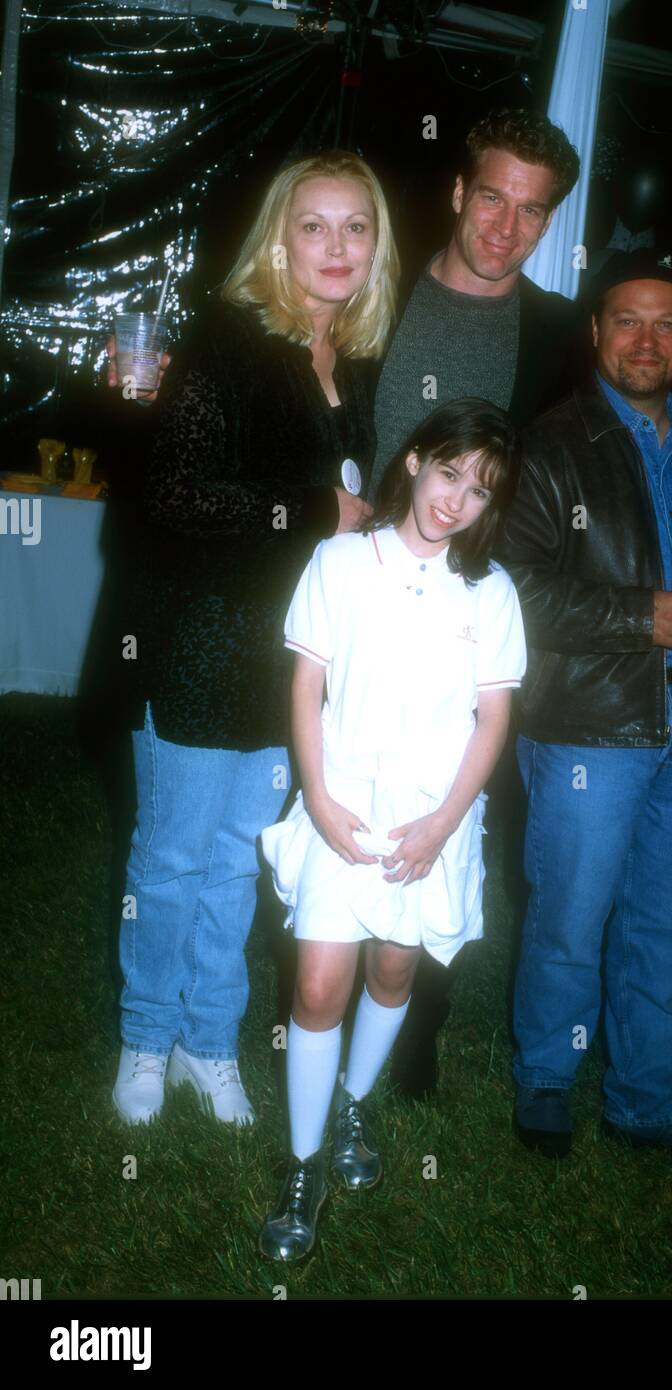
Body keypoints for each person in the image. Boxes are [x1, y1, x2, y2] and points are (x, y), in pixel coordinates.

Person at [111, 150, 398, 1126]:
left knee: (242, 862)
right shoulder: (229, 344)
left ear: (376, 244)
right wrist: (317, 507)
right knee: (170, 861)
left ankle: (208, 1042)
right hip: (201, 648)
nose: (334, 245)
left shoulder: (352, 362)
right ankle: (146, 1037)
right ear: (279, 238)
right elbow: (176, 494)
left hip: (290, 666)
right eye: (312, 225)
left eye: (354, 226)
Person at [496, 249, 672, 1163]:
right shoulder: (550, 443)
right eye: (626, 320)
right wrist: (629, 618)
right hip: (589, 721)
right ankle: (544, 1078)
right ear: (596, 332)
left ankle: (647, 1096)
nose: (645, 340)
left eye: (666, 323)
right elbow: (509, 589)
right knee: (571, 914)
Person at [257, 399, 526, 1260]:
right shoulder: (340, 560)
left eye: (480, 491)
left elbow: (492, 720)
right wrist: (320, 796)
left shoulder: (490, 592)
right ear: (414, 461)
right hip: (346, 802)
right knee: (316, 984)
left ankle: (353, 1105)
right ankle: (302, 1166)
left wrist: (444, 825)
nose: (456, 500)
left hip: (429, 815)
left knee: (394, 964)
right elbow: (306, 685)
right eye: (448, 472)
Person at [372, 107, 582, 1098]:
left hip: (471, 623)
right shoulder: (376, 296)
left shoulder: (555, 340)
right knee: (339, 801)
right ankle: (316, 1002)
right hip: (358, 600)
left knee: (455, 829)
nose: (505, 226)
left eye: (531, 211)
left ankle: (413, 1040)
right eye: (491, 196)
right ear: (457, 191)